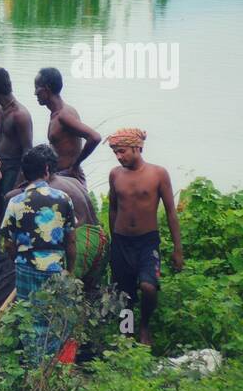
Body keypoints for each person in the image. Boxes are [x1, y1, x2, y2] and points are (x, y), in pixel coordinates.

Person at [106, 128, 184, 346]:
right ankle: (126, 333)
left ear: (137, 148)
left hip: (147, 241)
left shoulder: (158, 174)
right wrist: (114, 241)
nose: (119, 157)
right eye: (115, 153)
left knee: (148, 287)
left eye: (122, 151)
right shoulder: (115, 175)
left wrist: (178, 248)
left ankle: (144, 326)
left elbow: (170, 211)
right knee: (124, 292)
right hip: (121, 242)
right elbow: (113, 208)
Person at [1, 146, 77, 361]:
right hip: (54, 268)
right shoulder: (63, 199)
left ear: (25, 173)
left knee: (30, 319)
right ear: (47, 170)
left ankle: (33, 366)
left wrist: (18, 260)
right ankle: (51, 366)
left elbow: (8, 243)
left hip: (25, 268)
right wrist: (69, 271)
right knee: (53, 319)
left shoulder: (15, 202)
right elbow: (70, 240)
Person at [0, 67, 33, 260]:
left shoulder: (20, 115)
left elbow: (27, 151)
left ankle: (8, 265)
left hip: (13, 172)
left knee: (9, 223)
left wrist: (18, 185)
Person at [34, 67, 100, 183]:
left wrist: (75, 166)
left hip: (67, 176)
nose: (35, 93)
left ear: (47, 88)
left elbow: (94, 137)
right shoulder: (56, 114)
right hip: (58, 175)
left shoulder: (64, 115)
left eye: (37, 88)